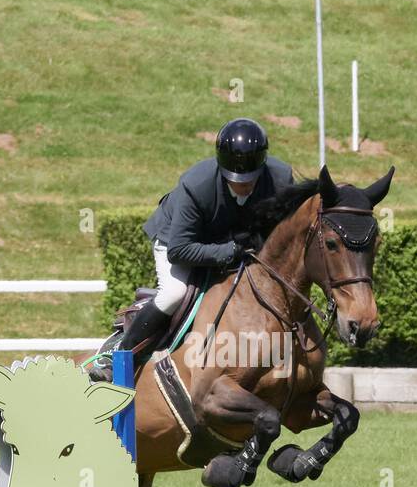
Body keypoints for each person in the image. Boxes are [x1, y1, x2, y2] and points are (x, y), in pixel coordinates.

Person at [104, 118, 295, 376]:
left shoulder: (281, 179)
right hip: (179, 240)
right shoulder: (196, 185)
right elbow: (180, 250)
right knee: (175, 292)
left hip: (229, 240)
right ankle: (119, 358)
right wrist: (229, 251)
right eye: (236, 180)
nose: (244, 185)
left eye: (251, 179)